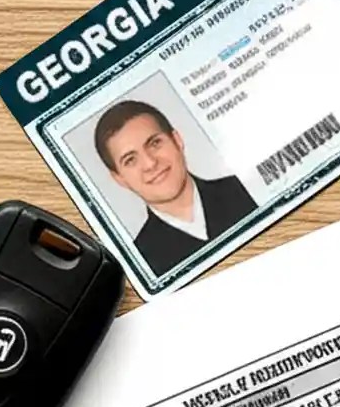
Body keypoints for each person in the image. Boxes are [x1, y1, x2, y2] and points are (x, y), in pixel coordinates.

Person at [94, 100, 256, 276]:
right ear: (119, 178)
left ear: (177, 140)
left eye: (155, 143)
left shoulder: (249, 187)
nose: (150, 163)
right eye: (130, 160)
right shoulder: (143, 264)